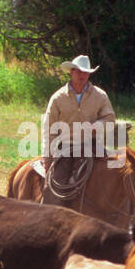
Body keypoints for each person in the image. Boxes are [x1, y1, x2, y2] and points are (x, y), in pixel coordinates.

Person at [40, 54, 116, 189]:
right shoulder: (58, 98)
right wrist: (47, 158)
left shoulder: (100, 96)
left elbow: (109, 118)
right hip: (66, 149)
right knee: (56, 187)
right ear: (71, 72)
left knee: (113, 180)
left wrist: (97, 126)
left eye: (86, 72)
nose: (82, 75)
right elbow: (49, 129)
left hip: (93, 147)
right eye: (79, 71)